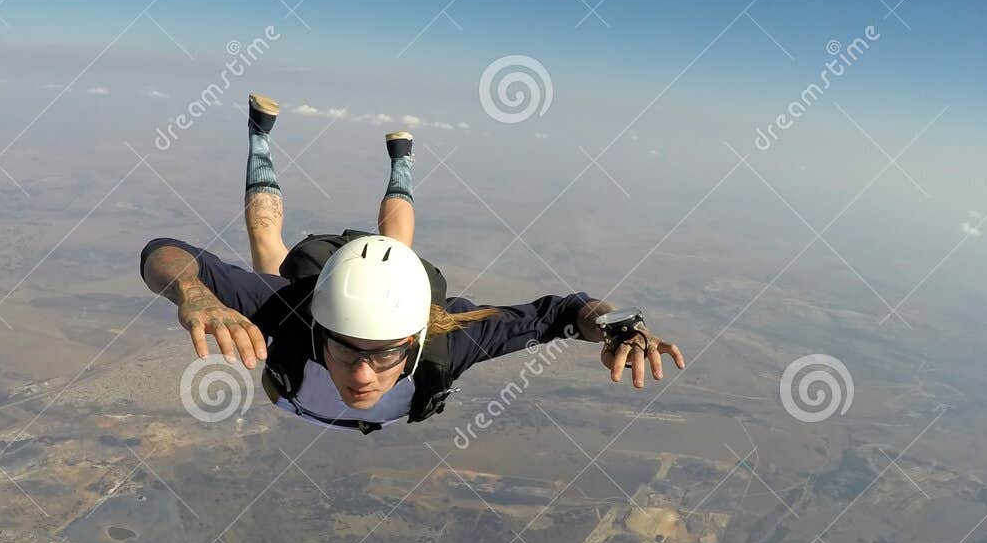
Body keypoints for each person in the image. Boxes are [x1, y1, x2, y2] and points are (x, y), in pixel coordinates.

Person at [139, 94, 683, 433]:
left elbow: (565, 312)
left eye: (384, 354)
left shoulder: (446, 338)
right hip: (315, 284)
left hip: (353, 305)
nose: (362, 376)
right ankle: (262, 135)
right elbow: (163, 254)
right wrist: (193, 293)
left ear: (417, 340)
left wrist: (611, 324)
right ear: (320, 330)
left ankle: (402, 161)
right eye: (345, 349)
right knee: (271, 245)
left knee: (392, 246)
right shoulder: (290, 310)